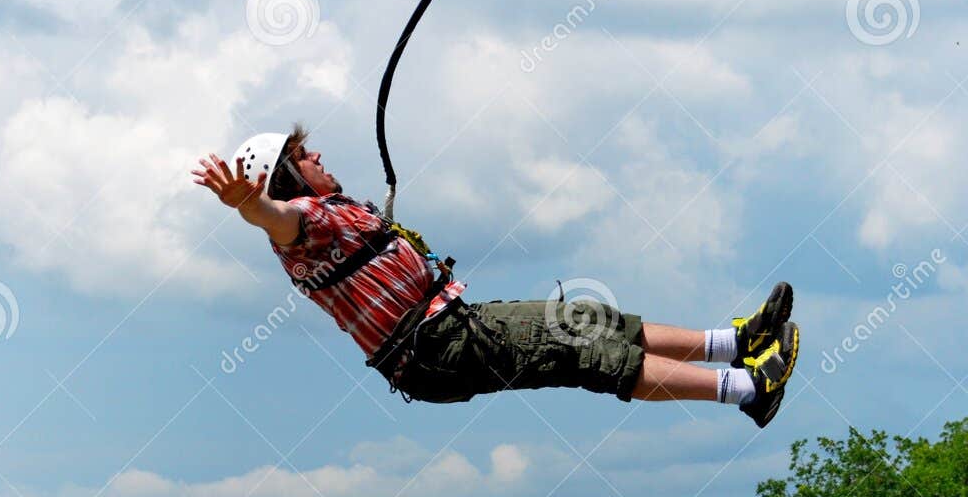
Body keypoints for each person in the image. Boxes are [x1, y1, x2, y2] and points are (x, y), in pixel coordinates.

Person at [193, 125, 799, 426]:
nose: (318, 156)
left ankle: (739, 343)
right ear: (290, 179)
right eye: (305, 156)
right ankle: (749, 390)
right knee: (586, 348)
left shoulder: (335, 213)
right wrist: (245, 204)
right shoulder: (300, 223)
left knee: (586, 320)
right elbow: (272, 219)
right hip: (435, 347)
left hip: (452, 328)